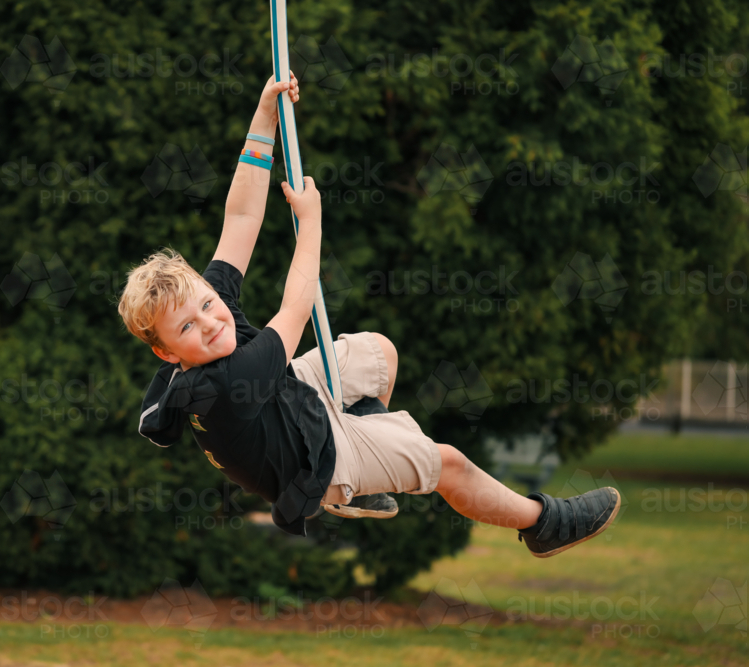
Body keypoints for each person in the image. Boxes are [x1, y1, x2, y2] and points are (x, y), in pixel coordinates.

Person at [116, 73, 622, 555]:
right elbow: (297, 303)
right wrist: (310, 220)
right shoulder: (222, 382)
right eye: (187, 327)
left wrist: (265, 114)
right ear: (166, 352)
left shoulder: (213, 309)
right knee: (447, 462)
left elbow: (242, 216)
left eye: (207, 303)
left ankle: (367, 456)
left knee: (378, 353)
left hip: (288, 399)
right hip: (317, 461)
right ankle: (543, 524)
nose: (210, 321)